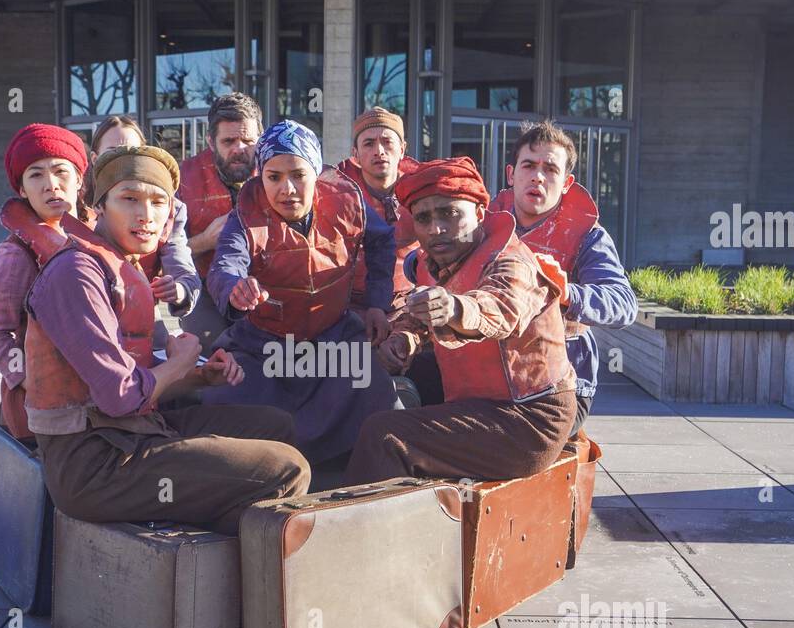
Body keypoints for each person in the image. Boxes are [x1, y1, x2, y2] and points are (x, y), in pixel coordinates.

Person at [3, 140, 309, 534]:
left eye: (158, 202)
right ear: (98, 207)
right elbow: (119, 395)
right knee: (286, 469)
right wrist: (182, 363)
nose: (145, 215)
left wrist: (199, 377)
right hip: (93, 465)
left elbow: (130, 382)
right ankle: (214, 567)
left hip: (132, 433)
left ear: (169, 217)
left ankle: (205, 533)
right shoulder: (76, 274)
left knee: (277, 426)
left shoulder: (117, 265)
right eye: (129, 198)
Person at [345, 156, 577, 485]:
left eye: (450, 214)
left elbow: (499, 309)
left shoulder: (511, 261)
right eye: (423, 218)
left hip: (528, 418)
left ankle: (361, 528)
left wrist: (454, 308)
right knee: (368, 376)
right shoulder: (436, 259)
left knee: (385, 436)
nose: (435, 229)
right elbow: (417, 318)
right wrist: (403, 341)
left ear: (479, 214)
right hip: (482, 404)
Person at [203, 119, 399, 464]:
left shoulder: (347, 199)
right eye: (274, 177)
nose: (287, 189)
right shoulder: (245, 216)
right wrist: (235, 289)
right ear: (259, 177)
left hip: (333, 337)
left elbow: (382, 240)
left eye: (298, 175)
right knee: (231, 399)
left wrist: (376, 304)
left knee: (374, 391)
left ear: (316, 174)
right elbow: (224, 265)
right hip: (267, 344)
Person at [491, 120, 637, 435]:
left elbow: (624, 304)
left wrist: (567, 292)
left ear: (567, 182)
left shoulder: (588, 237)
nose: (538, 176)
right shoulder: (481, 225)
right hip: (489, 375)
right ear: (511, 174)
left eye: (551, 169)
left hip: (561, 387)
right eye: (528, 165)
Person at [0, 123, 90, 442]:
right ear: (22, 190)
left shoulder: (97, 234)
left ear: (79, 178)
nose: (51, 184)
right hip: (41, 416)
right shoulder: (16, 256)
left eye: (61, 171)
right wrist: (35, 379)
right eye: (36, 175)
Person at [82, 115, 200, 322]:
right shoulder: (77, 209)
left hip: (143, 314)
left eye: (134, 151)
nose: (146, 215)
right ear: (95, 159)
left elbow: (183, 269)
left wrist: (178, 290)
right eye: (113, 154)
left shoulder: (172, 211)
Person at [176, 92, 263, 347]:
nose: (239, 149)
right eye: (229, 141)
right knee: (207, 353)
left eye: (248, 140)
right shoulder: (182, 179)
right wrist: (204, 240)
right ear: (211, 142)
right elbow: (161, 254)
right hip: (202, 284)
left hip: (262, 282)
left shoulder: (277, 172)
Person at [335, 106, 420, 314]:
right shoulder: (337, 193)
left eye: (387, 142)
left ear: (402, 149)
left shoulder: (422, 190)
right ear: (355, 153)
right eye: (369, 143)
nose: (379, 151)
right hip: (349, 305)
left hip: (410, 303)